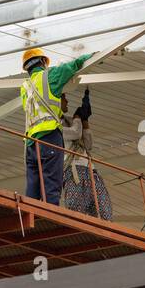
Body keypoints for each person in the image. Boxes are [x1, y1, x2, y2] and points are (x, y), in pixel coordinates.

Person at [20, 46, 91, 205]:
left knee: (33, 186)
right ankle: (50, 216)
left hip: (31, 143)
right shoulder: (48, 77)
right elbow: (69, 67)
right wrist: (88, 56)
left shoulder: (24, 88)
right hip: (49, 136)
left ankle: (30, 214)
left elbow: (38, 108)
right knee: (51, 183)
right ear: (43, 62)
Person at [61, 88, 113, 219]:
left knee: (103, 210)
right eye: (63, 98)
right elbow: (75, 133)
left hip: (90, 170)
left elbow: (88, 144)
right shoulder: (53, 125)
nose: (66, 101)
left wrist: (85, 121)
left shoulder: (70, 120)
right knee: (76, 211)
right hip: (73, 171)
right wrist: (78, 118)